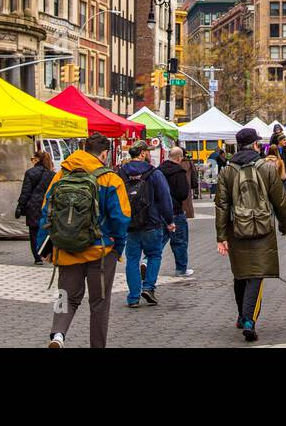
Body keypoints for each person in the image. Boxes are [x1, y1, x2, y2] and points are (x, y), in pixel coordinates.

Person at [38, 132, 130, 348]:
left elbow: (45, 211)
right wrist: (118, 246)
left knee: (64, 296)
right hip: (101, 251)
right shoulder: (110, 179)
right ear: (104, 154)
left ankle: (58, 335)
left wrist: (44, 248)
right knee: (99, 302)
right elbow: (122, 218)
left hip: (66, 248)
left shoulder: (60, 175)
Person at [216, 127, 286, 342]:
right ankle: (249, 320)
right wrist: (284, 226)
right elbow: (281, 202)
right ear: (256, 145)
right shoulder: (267, 169)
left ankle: (241, 315)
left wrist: (221, 236)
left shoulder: (227, 171)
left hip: (236, 229)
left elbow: (221, 205)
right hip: (262, 230)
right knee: (256, 274)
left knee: (241, 273)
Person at [121, 141, 175, 307]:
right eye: (148, 151)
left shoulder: (121, 173)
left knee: (132, 259)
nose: (149, 154)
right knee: (154, 255)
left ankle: (133, 297)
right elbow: (165, 198)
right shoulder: (154, 173)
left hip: (130, 225)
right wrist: (169, 220)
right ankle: (149, 287)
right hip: (151, 223)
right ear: (143, 153)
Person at [158, 146, 195, 276]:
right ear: (179, 158)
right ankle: (181, 269)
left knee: (160, 239)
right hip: (176, 210)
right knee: (180, 241)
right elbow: (183, 193)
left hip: (160, 210)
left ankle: (147, 260)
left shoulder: (159, 170)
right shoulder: (179, 172)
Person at [15, 150, 56, 264]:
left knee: (33, 232)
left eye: (33, 159)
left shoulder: (30, 173)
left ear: (38, 160)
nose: (32, 161)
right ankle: (46, 254)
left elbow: (26, 192)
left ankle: (37, 257)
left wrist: (20, 206)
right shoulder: (52, 174)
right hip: (47, 206)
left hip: (32, 206)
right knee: (46, 230)